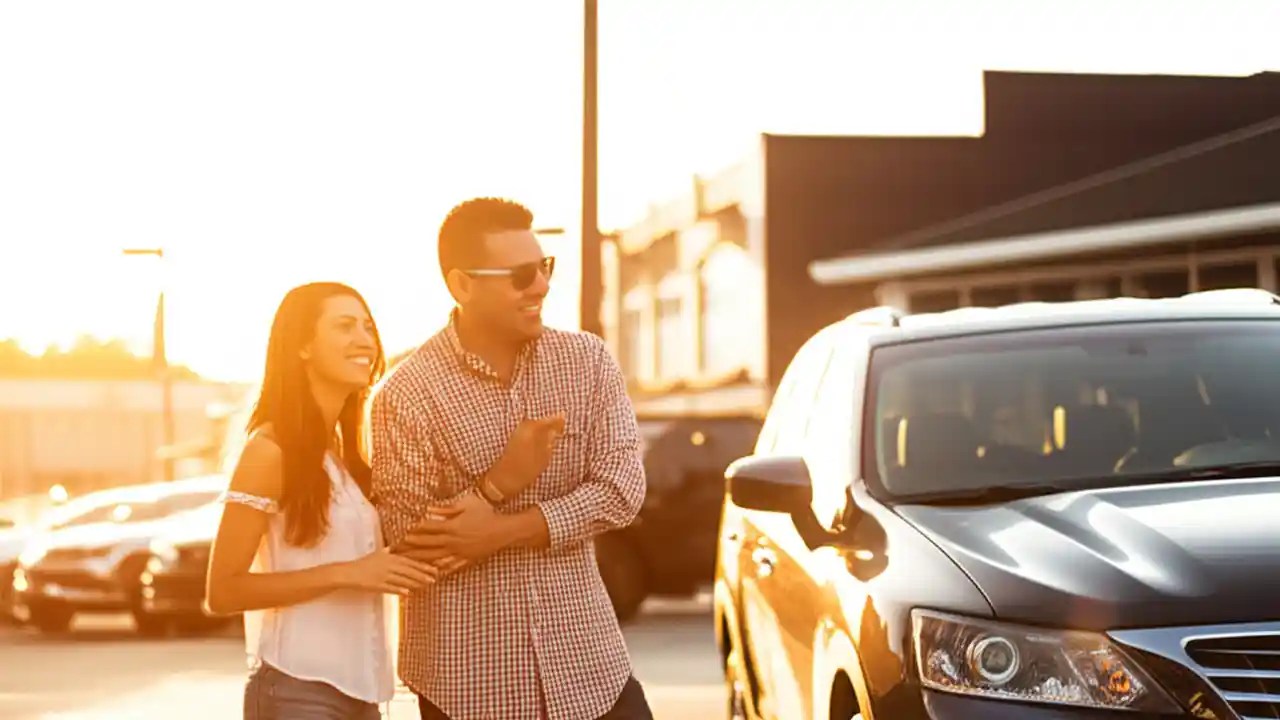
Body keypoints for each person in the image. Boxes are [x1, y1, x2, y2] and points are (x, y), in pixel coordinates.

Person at [371, 197, 653, 720]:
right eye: (521, 275)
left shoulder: (586, 362)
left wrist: (497, 530)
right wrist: (495, 486)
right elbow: (409, 541)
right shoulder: (405, 395)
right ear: (462, 285)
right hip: (467, 688)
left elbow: (621, 490)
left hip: (590, 671)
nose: (542, 286)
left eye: (544, 268)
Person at [206, 282, 439, 719]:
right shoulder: (268, 451)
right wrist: (350, 573)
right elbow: (222, 590)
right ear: (302, 346)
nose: (364, 340)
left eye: (368, 327)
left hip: (363, 696)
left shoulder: (351, 456)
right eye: (344, 326)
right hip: (298, 692)